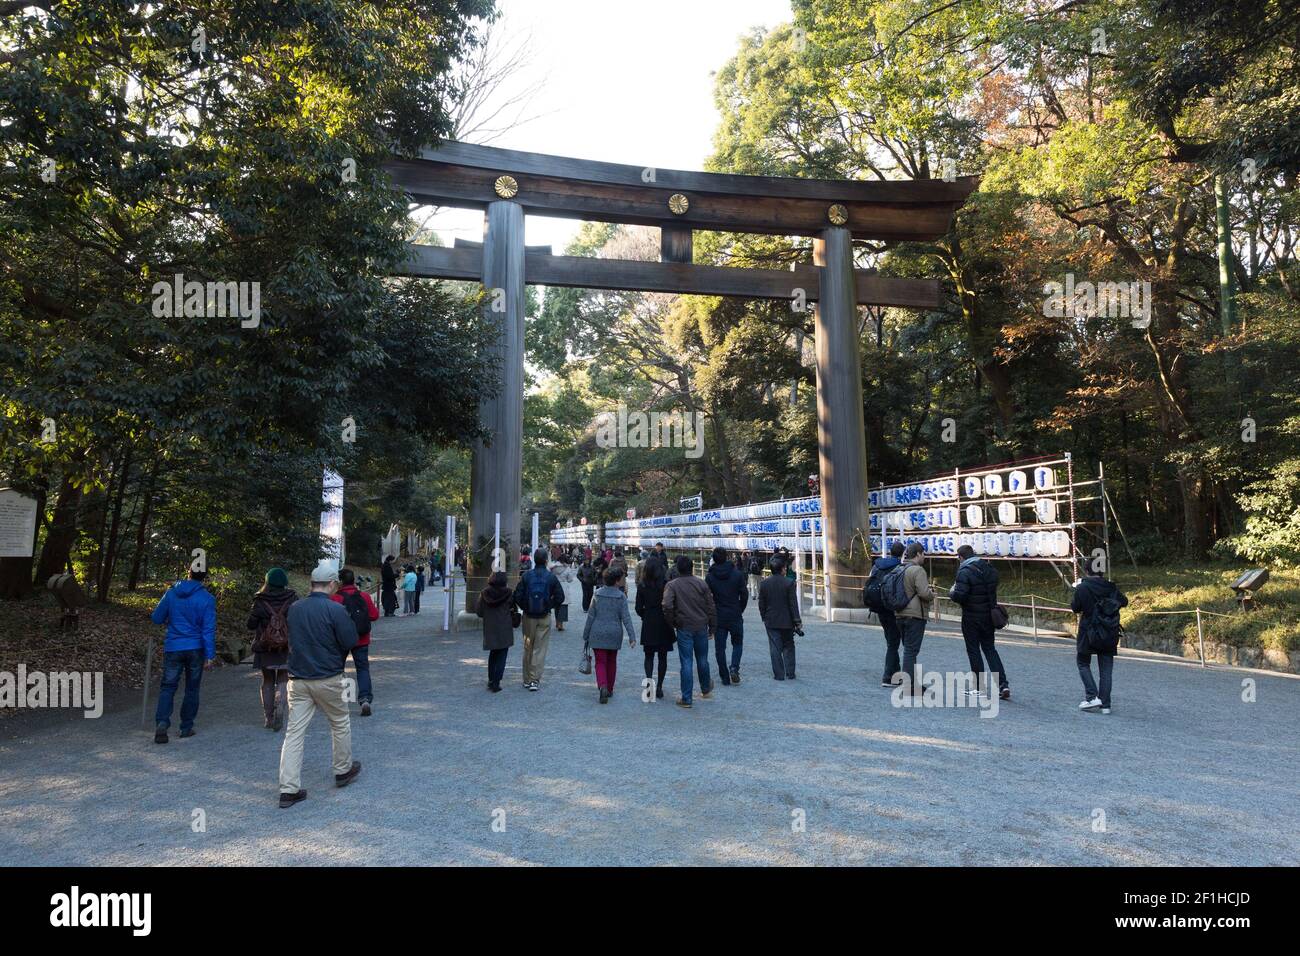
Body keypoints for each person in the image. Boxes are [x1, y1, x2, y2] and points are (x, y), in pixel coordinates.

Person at [277, 566, 362, 808]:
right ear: (333, 584)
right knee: (339, 721)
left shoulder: (294, 609)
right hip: (327, 677)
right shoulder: (335, 609)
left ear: (312, 583)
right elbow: (350, 640)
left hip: (298, 679)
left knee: (294, 732)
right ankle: (342, 769)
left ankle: (288, 788)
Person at [150, 568, 217, 743]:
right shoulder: (207, 599)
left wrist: (170, 619)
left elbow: (157, 618)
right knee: (192, 688)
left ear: (189, 573)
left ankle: (162, 723)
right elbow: (208, 629)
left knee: (168, 687)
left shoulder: (171, 593)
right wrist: (210, 655)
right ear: (205, 578)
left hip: (173, 646)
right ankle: (186, 727)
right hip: (196, 648)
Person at [950, 543, 1010, 700]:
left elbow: (960, 596)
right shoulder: (989, 568)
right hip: (988, 616)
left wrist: (952, 593)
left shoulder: (964, 572)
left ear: (961, 557)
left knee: (973, 650)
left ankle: (978, 687)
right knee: (990, 649)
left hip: (971, 617)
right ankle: (1003, 684)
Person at [1071, 565, 1128, 714]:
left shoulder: (1083, 587)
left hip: (1088, 630)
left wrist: (1078, 588)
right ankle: (1105, 704)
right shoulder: (1111, 587)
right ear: (1102, 571)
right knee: (1106, 670)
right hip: (1108, 631)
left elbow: (1075, 607)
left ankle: (1091, 696)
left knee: (1083, 663)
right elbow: (1124, 601)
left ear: (1087, 571)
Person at [246, 567, 297, 731]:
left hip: (265, 646)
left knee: (267, 680)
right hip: (285, 646)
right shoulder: (292, 598)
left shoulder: (260, 600)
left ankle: (268, 718)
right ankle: (281, 706)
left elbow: (251, 625)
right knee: (283, 678)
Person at [663, 555, 716, 708]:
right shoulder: (701, 584)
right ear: (692, 567)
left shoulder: (672, 585)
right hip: (701, 625)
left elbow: (667, 605)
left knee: (686, 661)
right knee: (702, 658)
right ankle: (705, 689)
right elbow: (711, 606)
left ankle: (687, 698)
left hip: (684, 626)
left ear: (678, 569)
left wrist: (672, 622)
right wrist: (712, 626)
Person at [582, 566, 638, 704]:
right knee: (612, 661)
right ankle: (610, 688)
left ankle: (602, 685)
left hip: (597, 631)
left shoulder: (597, 594)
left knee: (600, 662)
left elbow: (590, 615)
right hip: (614, 632)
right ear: (617, 581)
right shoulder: (621, 596)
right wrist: (632, 636)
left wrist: (586, 634)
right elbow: (626, 617)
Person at [513, 549, 566, 691]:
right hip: (544, 616)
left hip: (528, 616)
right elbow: (560, 597)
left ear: (534, 559)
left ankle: (526, 678)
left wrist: (525, 607)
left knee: (527, 647)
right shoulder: (551, 577)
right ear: (546, 560)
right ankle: (534, 679)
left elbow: (517, 595)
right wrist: (549, 606)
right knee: (540, 648)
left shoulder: (527, 576)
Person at [331, 568, 379, 716]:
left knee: (337, 669)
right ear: (354, 580)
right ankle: (365, 699)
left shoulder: (335, 599)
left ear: (339, 582)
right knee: (362, 669)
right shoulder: (363, 596)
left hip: (341, 639)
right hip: (361, 638)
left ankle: (340, 700)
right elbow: (374, 615)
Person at [865, 542, 906, 687]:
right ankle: (888, 677)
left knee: (891, 641)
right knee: (893, 643)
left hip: (879, 607)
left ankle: (895, 674)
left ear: (890, 551)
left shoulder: (877, 565)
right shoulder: (900, 568)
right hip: (893, 609)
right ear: (903, 553)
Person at [896, 543, 935, 697]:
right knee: (911, 651)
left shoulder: (900, 569)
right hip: (915, 615)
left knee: (908, 649)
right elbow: (924, 593)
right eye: (923, 553)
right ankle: (909, 685)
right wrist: (932, 595)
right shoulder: (917, 570)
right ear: (918, 554)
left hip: (899, 613)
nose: (924, 556)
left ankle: (911, 682)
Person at [706, 547, 748, 686]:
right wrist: (740, 608)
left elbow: (706, 598)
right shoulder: (737, 574)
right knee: (737, 643)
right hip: (735, 613)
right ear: (727, 557)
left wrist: (710, 614)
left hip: (719, 615)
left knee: (720, 648)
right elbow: (744, 594)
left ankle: (724, 676)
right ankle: (734, 667)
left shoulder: (710, 576)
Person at [634, 557, 675, 700]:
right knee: (663, 656)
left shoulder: (642, 585)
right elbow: (671, 604)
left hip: (649, 621)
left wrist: (645, 616)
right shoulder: (666, 585)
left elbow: (638, 608)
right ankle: (660, 687)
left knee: (649, 656)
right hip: (664, 621)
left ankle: (649, 685)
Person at [758, 556, 801, 680]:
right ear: (782, 569)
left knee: (775, 647)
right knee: (789, 646)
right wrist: (797, 621)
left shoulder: (765, 583)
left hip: (771, 620)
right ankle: (790, 672)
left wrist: (764, 617)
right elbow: (793, 604)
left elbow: (762, 603)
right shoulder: (789, 583)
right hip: (787, 621)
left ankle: (779, 674)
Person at [476, 571, 517, 693]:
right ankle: (496, 681)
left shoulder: (484, 593)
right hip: (505, 626)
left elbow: (478, 611)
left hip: (490, 627)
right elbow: (514, 608)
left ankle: (490, 679)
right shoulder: (509, 593)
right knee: (502, 654)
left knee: (493, 654)